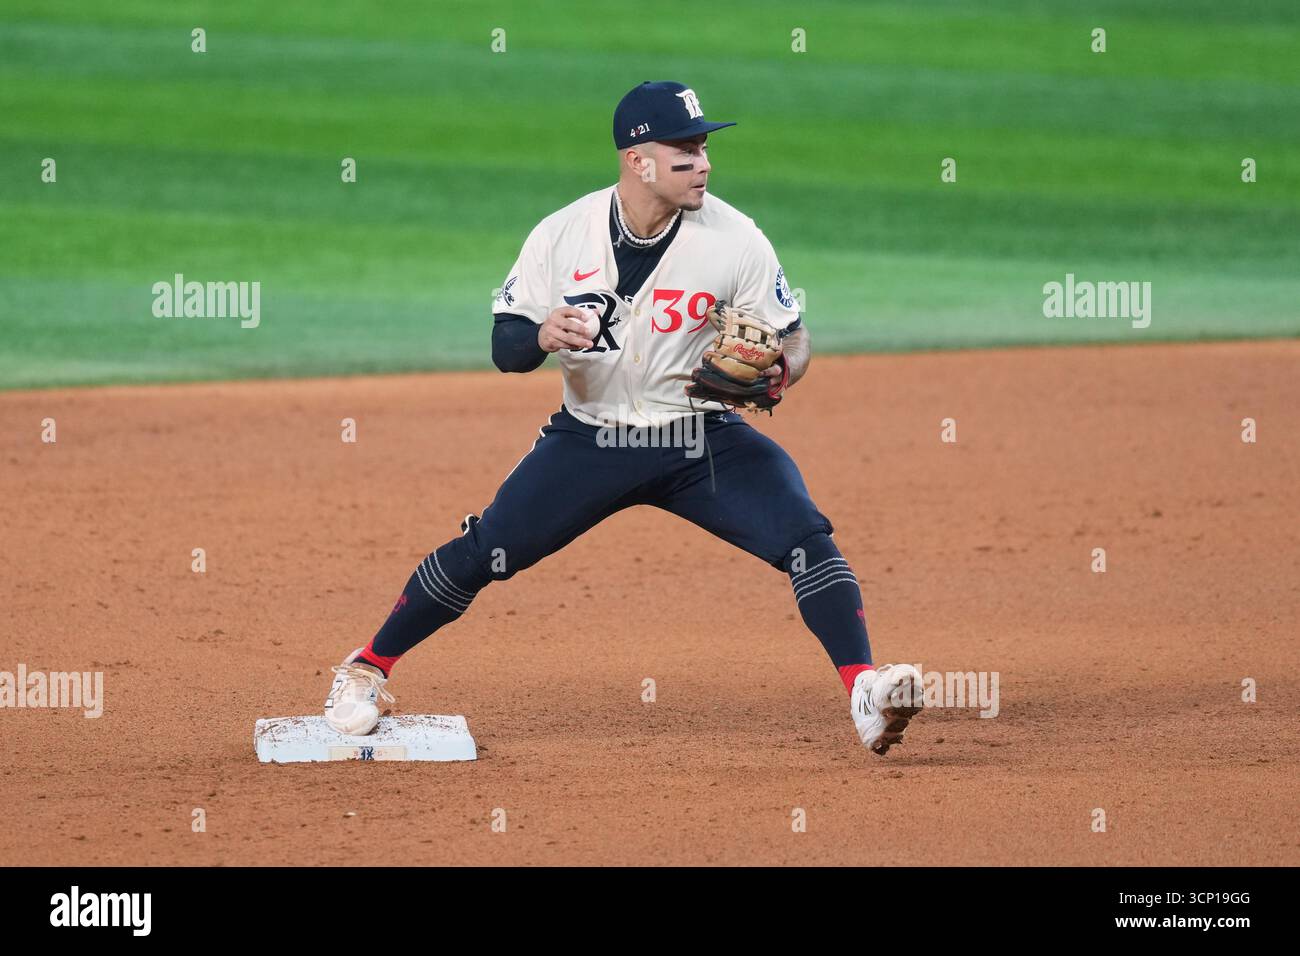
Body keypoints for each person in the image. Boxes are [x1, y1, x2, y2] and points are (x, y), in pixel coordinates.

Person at [324, 81, 923, 756]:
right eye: (686, 151)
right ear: (639, 159)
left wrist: (786, 366)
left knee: (803, 534)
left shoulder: (736, 240)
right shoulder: (561, 235)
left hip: (701, 436)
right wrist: (543, 334)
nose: (704, 164)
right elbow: (505, 349)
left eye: (704, 149)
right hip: (592, 437)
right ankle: (365, 669)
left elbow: (794, 334)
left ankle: (864, 691)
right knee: (489, 549)